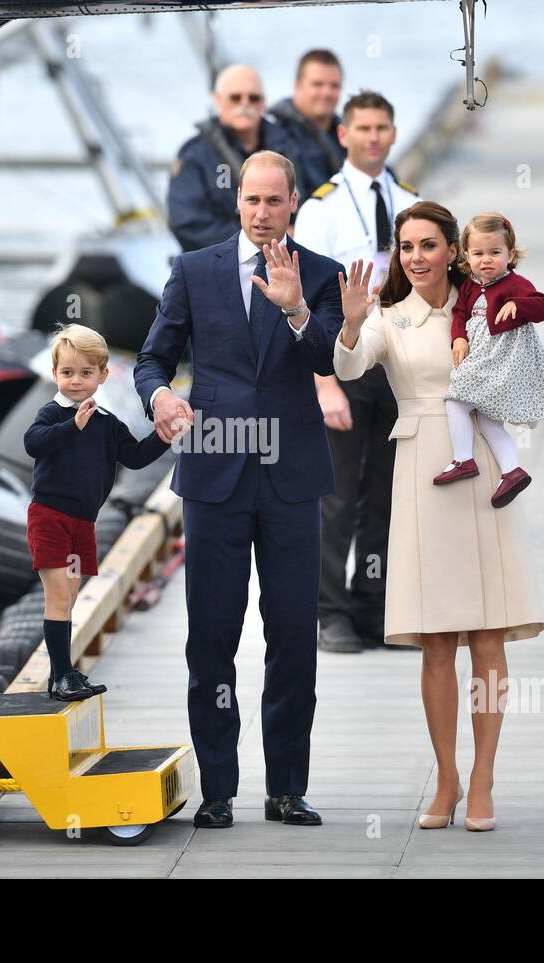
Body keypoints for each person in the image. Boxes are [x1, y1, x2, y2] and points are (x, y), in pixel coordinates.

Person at [135, 150, 344, 829]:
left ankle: (286, 787)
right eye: (251, 201)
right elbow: (152, 358)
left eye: (273, 202)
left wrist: (295, 313)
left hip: (291, 478)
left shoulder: (321, 273)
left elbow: (330, 361)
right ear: (239, 203)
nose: (261, 213)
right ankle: (218, 788)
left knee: (292, 635)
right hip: (214, 476)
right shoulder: (195, 270)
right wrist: (162, 395)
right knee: (212, 637)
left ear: (292, 205)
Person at [333, 201, 544, 832]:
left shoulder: (482, 299)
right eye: (406, 247)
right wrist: (347, 326)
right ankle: (446, 778)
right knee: (436, 639)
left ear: (452, 250)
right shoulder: (389, 316)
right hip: (422, 466)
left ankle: (483, 779)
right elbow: (349, 366)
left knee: (486, 634)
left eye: (429, 245)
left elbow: (525, 341)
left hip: (480, 461)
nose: (417, 257)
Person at [294, 90, 420, 653]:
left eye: (382, 128)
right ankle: (331, 611)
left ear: (394, 134)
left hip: (397, 364)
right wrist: (324, 384)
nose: (373, 137)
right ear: (343, 135)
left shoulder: (412, 203)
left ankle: (374, 604)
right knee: (339, 493)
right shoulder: (321, 208)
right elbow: (306, 301)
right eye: (363, 128)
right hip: (344, 360)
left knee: (387, 492)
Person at [23, 324, 170, 700]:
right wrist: (72, 426)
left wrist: (164, 436)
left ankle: (65, 671)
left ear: (103, 375)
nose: (75, 381)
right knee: (58, 594)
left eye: (86, 373)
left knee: (71, 594)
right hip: (51, 518)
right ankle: (61, 677)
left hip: (82, 524)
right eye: (67, 373)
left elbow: (135, 458)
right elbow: (33, 443)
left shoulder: (106, 423)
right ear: (55, 374)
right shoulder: (52, 414)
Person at [434, 212, 544, 506]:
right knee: (487, 419)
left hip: (502, 359)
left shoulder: (515, 283)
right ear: (466, 256)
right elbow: (460, 313)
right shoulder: (470, 285)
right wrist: (458, 337)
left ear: (510, 255)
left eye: (495, 253)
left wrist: (516, 304)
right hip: (482, 355)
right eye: (478, 253)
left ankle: (463, 459)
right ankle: (511, 470)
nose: (486, 260)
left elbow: (542, 306)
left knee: (456, 400)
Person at [167, 64, 303, 252]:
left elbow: (308, 202)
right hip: (219, 266)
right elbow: (187, 223)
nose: (245, 104)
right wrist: (256, 241)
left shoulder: (288, 147)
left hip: (285, 262)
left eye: (253, 98)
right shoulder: (194, 155)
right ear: (218, 100)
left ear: (263, 102)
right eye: (235, 98)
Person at [270, 49, 347, 197]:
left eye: (334, 86)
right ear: (297, 86)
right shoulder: (275, 135)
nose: (326, 93)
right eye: (318, 84)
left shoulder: (347, 134)